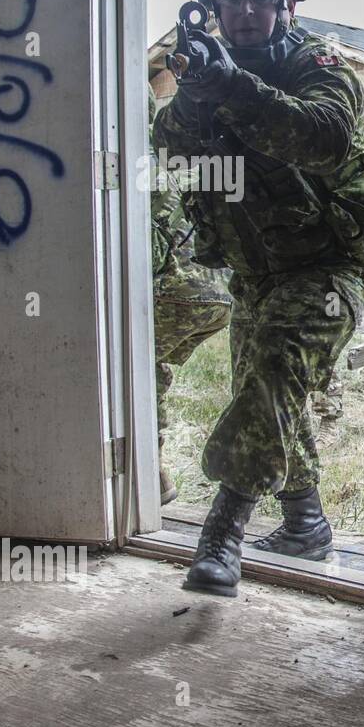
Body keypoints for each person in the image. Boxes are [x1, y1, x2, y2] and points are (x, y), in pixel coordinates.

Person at [152, 0, 364, 596]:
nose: (246, 11)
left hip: (327, 267)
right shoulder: (203, 76)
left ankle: (223, 530)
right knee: (275, 399)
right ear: (213, 9)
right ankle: (306, 522)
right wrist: (194, 97)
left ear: (288, 6)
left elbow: (325, 136)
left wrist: (234, 87)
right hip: (253, 273)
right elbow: (172, 150)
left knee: (274, 376)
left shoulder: (319, 65)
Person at [147, 90, 233, 505]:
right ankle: (156, 479)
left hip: (177, 290)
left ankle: (147, 473)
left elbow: (148, 251)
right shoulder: (171, 157)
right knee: (152, 368)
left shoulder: (133, 161)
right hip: (216, 292)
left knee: (135, 372)